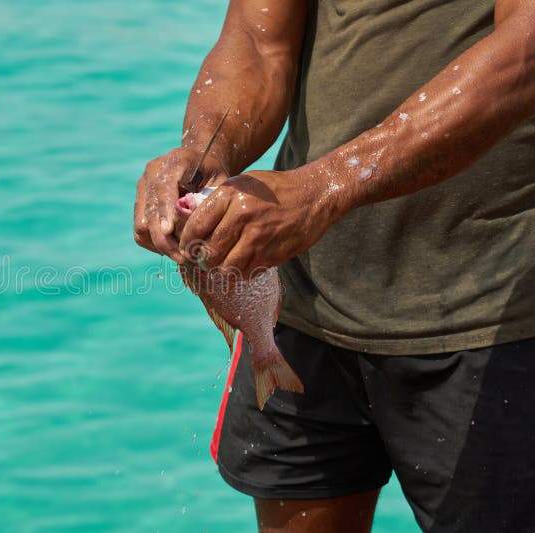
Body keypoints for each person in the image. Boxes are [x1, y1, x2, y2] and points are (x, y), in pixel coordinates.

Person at [133, 0, 535, 531]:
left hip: (494, 307)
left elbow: (524, 55)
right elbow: (258, 39)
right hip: (304, 303)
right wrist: (206, 151)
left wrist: (326, 188)